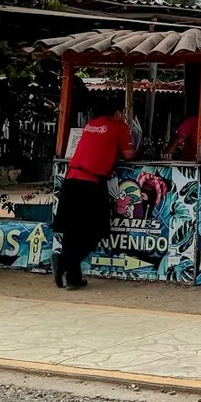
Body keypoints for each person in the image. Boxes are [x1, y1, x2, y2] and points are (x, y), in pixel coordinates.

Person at [53, 107, 134, 290]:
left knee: (72, 230)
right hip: (91, 182)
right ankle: (64, 262)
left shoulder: (91, 124)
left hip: (71, 179)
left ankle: (72, 276)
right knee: (98, 229)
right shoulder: (119, 126)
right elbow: (129, 155)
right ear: (118, 112)